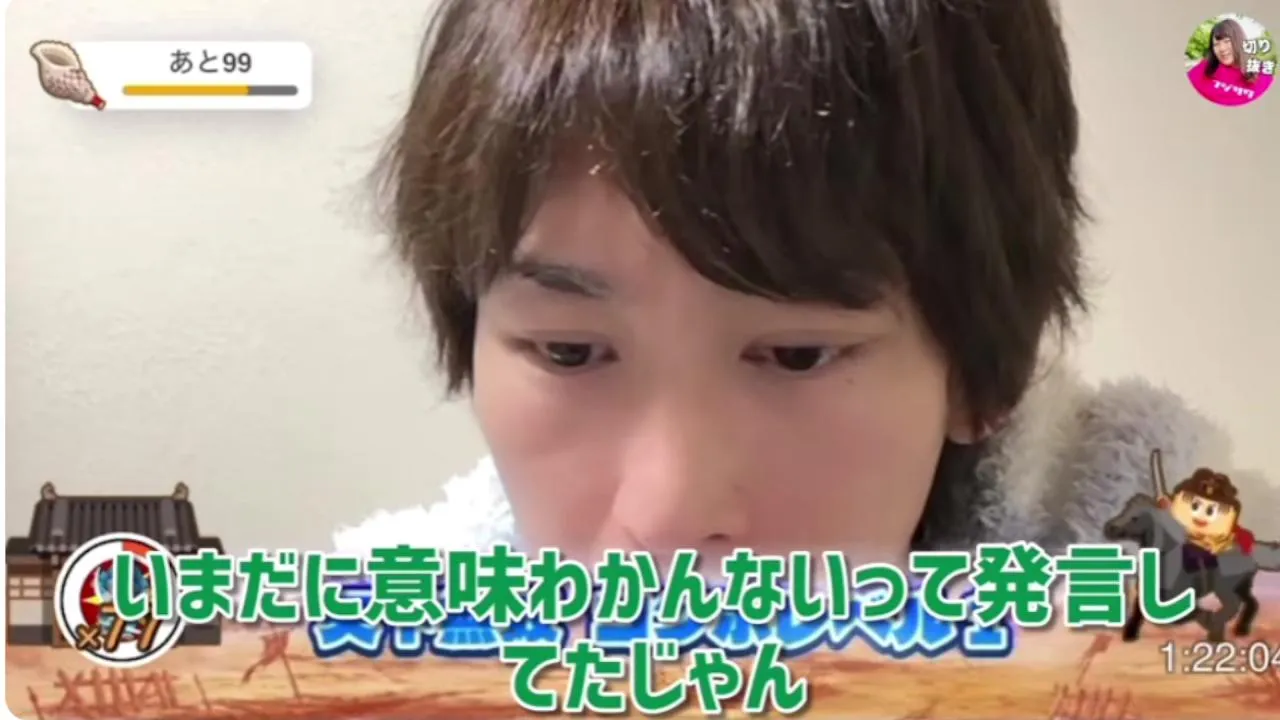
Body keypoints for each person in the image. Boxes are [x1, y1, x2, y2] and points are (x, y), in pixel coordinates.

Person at [334, 0, 1273, 572]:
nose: (666, 520)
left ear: (980, 373)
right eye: (570, 352)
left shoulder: (1187, 619)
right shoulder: (371, 650)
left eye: (795, 356)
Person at [1187, 17, 1274, 106]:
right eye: (1216, 44)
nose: (1222, 48)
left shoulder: (1263, 72)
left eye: (1227, 41)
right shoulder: (1204, 68)